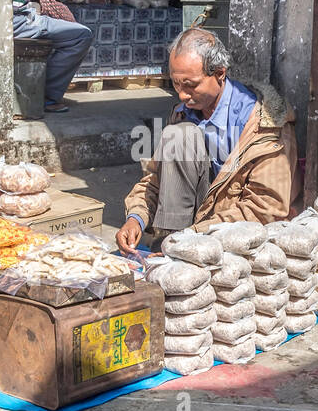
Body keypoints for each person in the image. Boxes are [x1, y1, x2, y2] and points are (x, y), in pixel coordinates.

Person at [117, 26, 299, 254]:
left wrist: (194, 234)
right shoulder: (184, 113)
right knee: (179, 137)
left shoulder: (265, 125)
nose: (182, 95)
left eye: (190, 85)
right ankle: (170, 246)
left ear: (220, 73)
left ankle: (176, 248)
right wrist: (136, 218)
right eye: (175, 84)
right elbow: (156, 179)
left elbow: (265, 208)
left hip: (237, 235)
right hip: (192, 230)